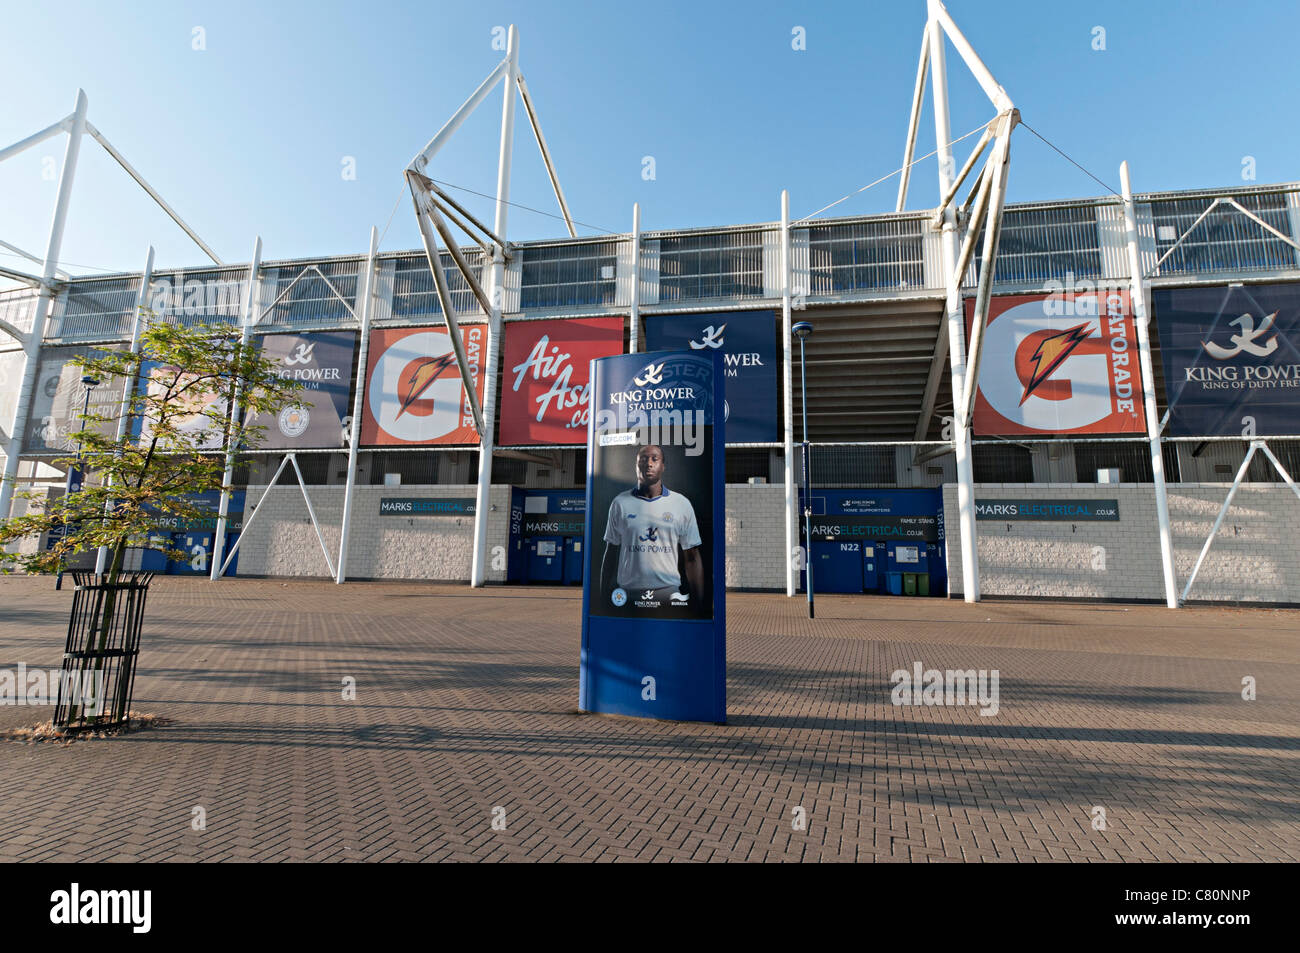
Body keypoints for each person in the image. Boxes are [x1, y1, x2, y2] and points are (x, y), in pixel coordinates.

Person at [600, 444, 704, 607]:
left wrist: (699, 604)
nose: (648, 463)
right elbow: (611, 552)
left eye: (654, 459)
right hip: (626, 595)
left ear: (663, 466)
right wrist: (603, 597)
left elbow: (692, 556)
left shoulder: (681, 503)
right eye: (643, 459)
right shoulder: (620, 503)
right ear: (636, 465)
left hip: (668, 595)